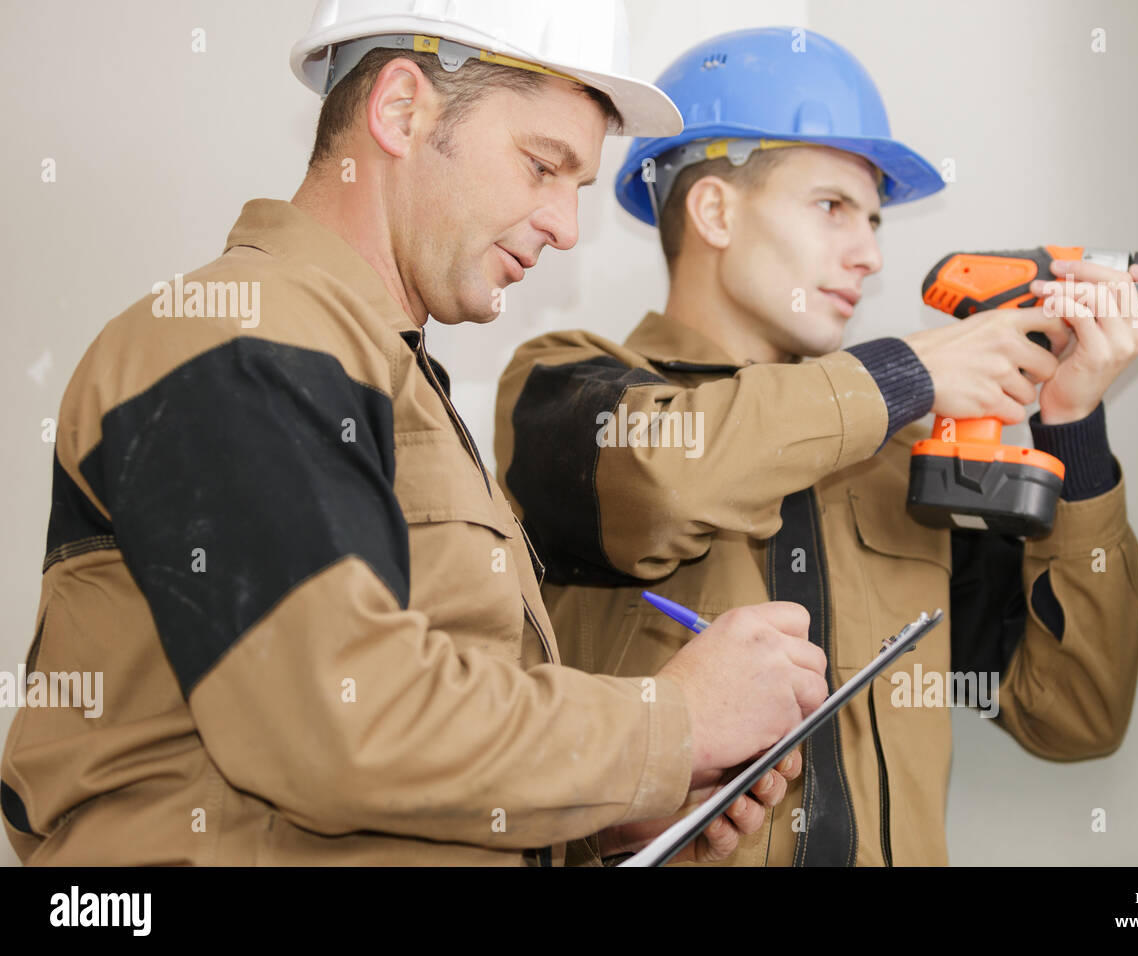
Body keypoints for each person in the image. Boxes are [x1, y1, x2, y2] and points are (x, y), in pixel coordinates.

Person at [0, 1, 829, 867]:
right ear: (401, 110)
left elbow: (404, 768)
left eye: (577, 188)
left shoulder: (384, 380)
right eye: (543, 166)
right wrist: (677, 724)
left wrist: (601, 823)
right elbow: (335, 723)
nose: (565, 226)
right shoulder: (240, 340)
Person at [494, 27, 1138, 866]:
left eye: (873, 220)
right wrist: (909, 375)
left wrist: (1071, 426)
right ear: (715, 209)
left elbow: (1075, 714)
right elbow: (665, 483)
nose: (869, 254)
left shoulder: (896, 461)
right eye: (832, 208)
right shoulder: (567, 385)